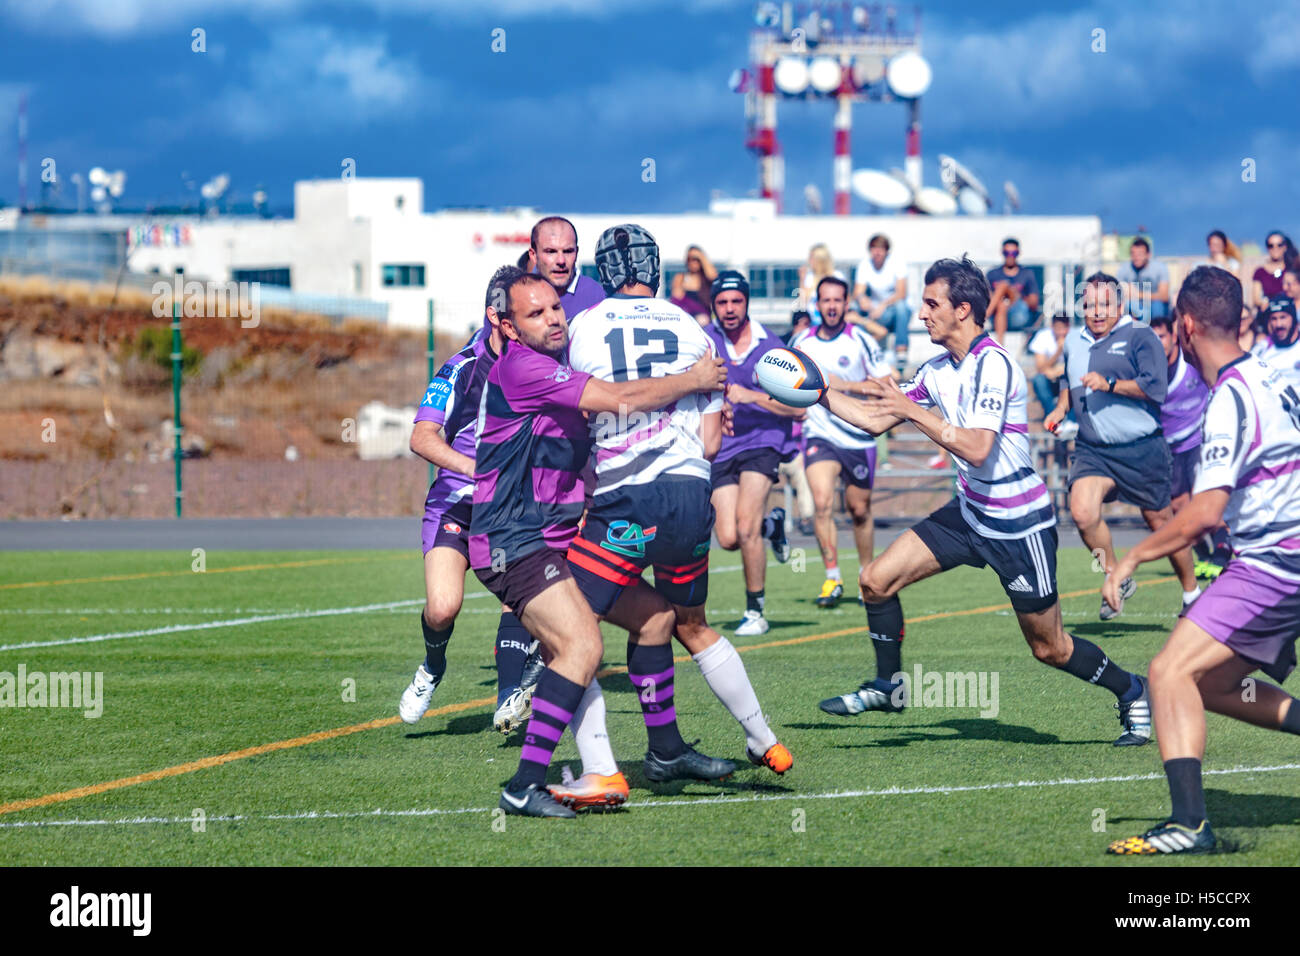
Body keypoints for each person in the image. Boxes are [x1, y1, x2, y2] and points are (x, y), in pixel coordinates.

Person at [815, 256, 1151, 748]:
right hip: (969, 515)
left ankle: (1131, 690)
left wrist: (910, 410)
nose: (922, 315)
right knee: (874, 580)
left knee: (1050, 648)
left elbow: (977, 447)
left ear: (963, 309)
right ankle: (889, 685)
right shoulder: (936, 369)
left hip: (1019, 527)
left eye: (932, 304)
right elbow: (871, 420)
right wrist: (817, 392)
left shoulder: (994, 365)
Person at [470, 270, 728, 817]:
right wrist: (695, 378)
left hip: (550, 536)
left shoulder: (555, 366)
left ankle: (664, 751)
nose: (553, 318)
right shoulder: (524, 368)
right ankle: (525, 784)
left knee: (658, 618)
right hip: (512, 539)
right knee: (583, 647)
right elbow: (617, 397)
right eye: (535, 313)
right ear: (508, 327)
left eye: (555, 308)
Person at [550, 226, 791, 809]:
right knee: (681, 623)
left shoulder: (580, 327)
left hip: (626, 501)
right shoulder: (692, 329)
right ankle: (759, 740)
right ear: (654, 270)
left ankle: (603, 768)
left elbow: (576, 414)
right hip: (690, 497)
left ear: (603, 273)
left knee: (570, 633)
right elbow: (710, 443)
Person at [1104, 266, 1300, 855]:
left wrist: (1130, 557)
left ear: (1185, 326)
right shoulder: (1270, 373)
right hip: (1284, 558)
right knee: (1214, 685)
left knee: (1167, 673)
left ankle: (1189, 823)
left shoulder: (1231, 397)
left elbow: (1207, 512)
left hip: (1274, 563)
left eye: (1172, 331)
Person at [400, 266, 522, 729]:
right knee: (443, 607)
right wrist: (477, 469)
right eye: (519, 314)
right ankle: (433, 666)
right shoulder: (462, 368)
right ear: (495, 316)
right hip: (457, 503)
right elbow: (422, 437)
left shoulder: (540, 363)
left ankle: (511, 696)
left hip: (509, 511)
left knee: (523, 598)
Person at [1044, 273, 1200, 620]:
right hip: (1093, 450)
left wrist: (1110, 383)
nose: (1096, 312)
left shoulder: (1142, 337)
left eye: (1104, 304)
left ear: (1120, 305)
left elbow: (1155, 389)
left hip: (1141, 449)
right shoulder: (1073, 340)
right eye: (1089, 305)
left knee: (1162, 523)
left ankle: (1192, 592)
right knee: (1082, 513)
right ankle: (1115, 575)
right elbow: (1069, 383)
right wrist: (1060, 408)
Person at [703, 270, 804, 636]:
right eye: (722, 302)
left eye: (736, 301)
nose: (729, 309)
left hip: (764, 442)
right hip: (721, 445)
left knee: (746, 527)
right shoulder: (704, 342)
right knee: (728, 537)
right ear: (714, 306)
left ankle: (755, 611)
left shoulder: (771, 347)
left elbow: (799, 408)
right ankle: (772, 526)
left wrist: (751, 396)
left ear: (747, 302)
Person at [790, 276, 894, 608]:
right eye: (826, 301)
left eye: (838, 300)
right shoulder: (802, 342)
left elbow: (885, 385)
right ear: (817, 305)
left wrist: (843, 386)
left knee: (859, 510)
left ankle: (867, 575)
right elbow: (788, 382)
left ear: (847, 304)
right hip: (819, 434)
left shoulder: (861, 340)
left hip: (859, 434)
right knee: (822, 503)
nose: (832, 306)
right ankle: (832, 578)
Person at [528, 216, 605, 320]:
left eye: (568, 251)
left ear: (576, 253)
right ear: (533, 255)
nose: (561, 261)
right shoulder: (514, 296)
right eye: (551, 251)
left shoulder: (598, 296)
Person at [852, 233, 910, 368]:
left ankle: (901, 349)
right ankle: (858, 350)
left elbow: (901, 293)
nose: (877, 252)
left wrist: (882, 306)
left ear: (886, 251)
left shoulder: (897, 263)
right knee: (855, 309)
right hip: (877, 312)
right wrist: (862, 298)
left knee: (901, 307)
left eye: (880, 249)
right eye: (874, 248)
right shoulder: (865, 264)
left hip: (895, 311)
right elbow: (858, 292)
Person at [985, 238, 1039, 344]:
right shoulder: (992, 274)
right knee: (1001, 302)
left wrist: (1016, 295)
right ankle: (1001, 343)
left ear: (1018, 253)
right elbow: (986, 297)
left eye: (1013, 253)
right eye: (1007, 253)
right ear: (1002, 253)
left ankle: (984, 317)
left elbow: (1034, 304)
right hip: (998, 314)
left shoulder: (1026, 274)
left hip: (1019, 313)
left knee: (1003, 286)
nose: (1010, 256)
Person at [1027, 314, 1071, 422]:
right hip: (1049, 380)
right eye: (1058, 328)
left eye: (1064, 328)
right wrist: (1058, 351)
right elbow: (1040, 368)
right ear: (1052, 327)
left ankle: (1071, 422)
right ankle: (1053, 420)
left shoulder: (1074, 337)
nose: (1061, 332)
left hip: (1066, 379)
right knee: (1038, 380)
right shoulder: (1043, 336)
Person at [1116, 237, 1170, 323]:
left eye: (1140, 254)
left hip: (1153, 306)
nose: (1136, 257)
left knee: (1157, 305)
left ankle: (1157, 332)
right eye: (1133, 254)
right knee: (1123, 305)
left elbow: (1164, 296)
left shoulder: (1160, 268)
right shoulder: (1124, 269)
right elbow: (1117, 294)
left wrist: (1138, 295)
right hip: (1135, 305)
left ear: (1148, 255)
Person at [669, 244, 718, 326]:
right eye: (690, 259)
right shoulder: (681, 278)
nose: (693, 262)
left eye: (696, 259)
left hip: (704, 321)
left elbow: (714, 277)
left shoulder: (706, 280)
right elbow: (676, 300)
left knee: (703, 320)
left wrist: (701, 257)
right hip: (686, 319)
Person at [1257, 296, 1300, 387]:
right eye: (1274, 319)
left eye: (1283, 317)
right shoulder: (1262, 348)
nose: (1278, 324)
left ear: (1293, 319)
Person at [1252, 231, 1297, 313]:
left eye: (1279, 245)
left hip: (1290, 310)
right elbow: (1256, 298)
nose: (1275, 248)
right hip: (1268, 311)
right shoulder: (1260, 272)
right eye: (1271, 246)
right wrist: (1264, 303)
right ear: (1267, 248)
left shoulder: (1293, 268)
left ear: (1285, 246)